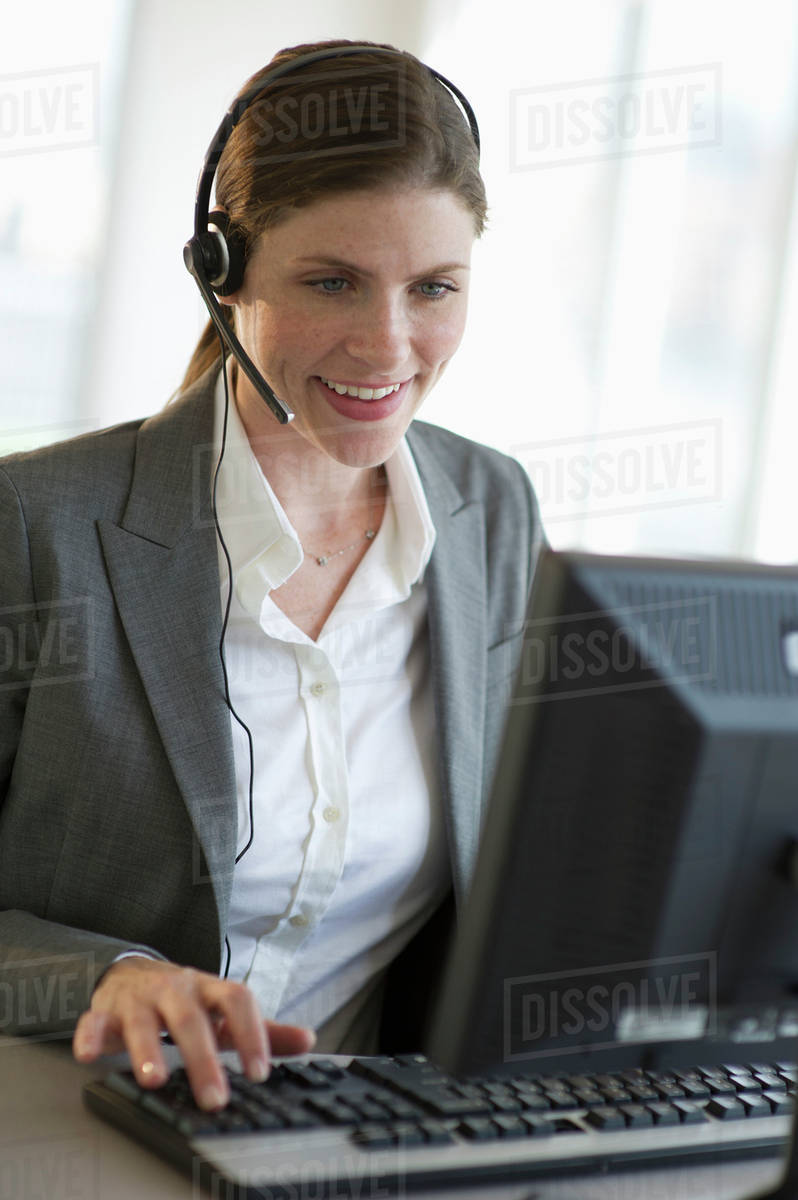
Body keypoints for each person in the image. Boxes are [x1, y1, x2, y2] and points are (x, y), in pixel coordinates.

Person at [0, 39, 543, 1113]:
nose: (388, 346)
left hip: (368, 1140)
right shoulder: (36, 525)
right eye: (332, 282)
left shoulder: (492, 511)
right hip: (65, 1118)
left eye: (433, 287)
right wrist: (107, 975)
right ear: (225, 275)